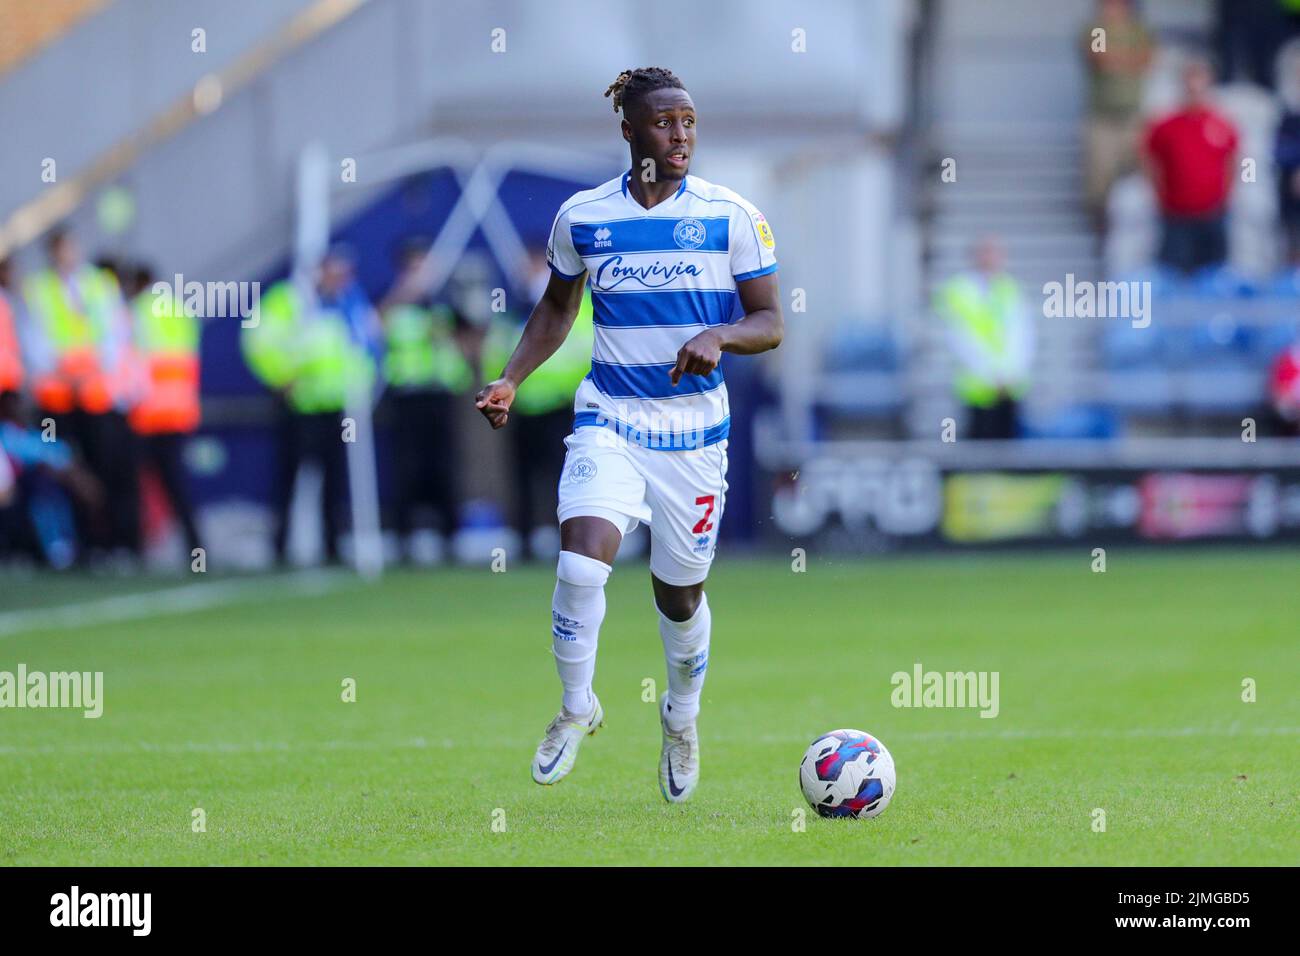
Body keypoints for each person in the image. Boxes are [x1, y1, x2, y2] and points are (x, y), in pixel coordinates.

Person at [475, 67, 783, 802]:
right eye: (664, 122)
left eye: (689, 122)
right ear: (629, 130)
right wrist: (513, 377)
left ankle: (680, 717)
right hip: (609, 417)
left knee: (678, 597)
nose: (680, 136)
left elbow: (770, 322)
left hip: (696, 435)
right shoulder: (582, 217)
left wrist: (721, 336)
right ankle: (577, 706)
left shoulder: (732, 215)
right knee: (581, 566)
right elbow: (556, 308)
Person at [243, 248, 379, 565]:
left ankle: (333, 547)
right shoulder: (287, 301)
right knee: (288, 478)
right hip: (298, 405)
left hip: (334, 406)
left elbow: (363, 348)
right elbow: (257, 342)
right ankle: (279, 548)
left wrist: (362, 388)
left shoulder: (347, 303)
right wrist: (280, 378)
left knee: (334, 481)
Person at [22, 228, 140, 561]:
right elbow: (34, 337)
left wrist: (90, 373)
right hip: (57, 398)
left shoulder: (99, 286)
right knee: (65, 470)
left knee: (102, 471)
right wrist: (61, 373)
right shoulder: (40, 289)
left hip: (95, 395)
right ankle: (75, 546)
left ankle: (110, 544)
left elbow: (113, 338)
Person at [482, 248, 594, 560]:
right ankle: (526, 541)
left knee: (569, 477)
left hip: (564, 405)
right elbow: (496, 351)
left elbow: (585, 352)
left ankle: (573, 543)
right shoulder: (514, 310)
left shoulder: (578, 305)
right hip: (524, 405)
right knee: (524, 475)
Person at [378, 242, 477, 560]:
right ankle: (404, 541)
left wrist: (449, 337)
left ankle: (450, 539)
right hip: (407, 395)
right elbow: (371, 328)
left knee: (444, 466)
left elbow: (473, 341)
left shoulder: (445, 303)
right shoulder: (393, 303)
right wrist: (402, 296)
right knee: (407, 468)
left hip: (441, 395)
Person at [126, 264, 204, 558]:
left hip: (146, 415)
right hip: (178, 412)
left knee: (135, 488)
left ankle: (136, 550)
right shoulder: (179, 312)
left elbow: (131, 366)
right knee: (179, 489)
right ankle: (195, 549)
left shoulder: (135, 314)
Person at [1142, 56, 1240, 274]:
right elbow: (1149, 161)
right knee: (1175, 275)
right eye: (1190, 85)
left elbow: (1234, 161)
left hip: (1212, 214)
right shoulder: (1165, 126)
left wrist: (1227, 196)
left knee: (1214, 276)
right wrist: (1158, 195)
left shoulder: (1222, 124)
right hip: (1176, 215)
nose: (1195, 91)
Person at [934, 236, 1034, 440]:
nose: (991, 258)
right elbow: (961, 340)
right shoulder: (959, 291)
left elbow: (1022, 336)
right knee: (980, 446)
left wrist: (1010, 373)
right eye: (986, 252)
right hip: (978, 386)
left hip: (1011, 385)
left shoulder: (1009, 288)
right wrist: (991, 374)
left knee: (1009, 445)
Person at [1080, 0, 1155, 224]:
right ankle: (1102, 227)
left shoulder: (1138, 30)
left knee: (1140, 174)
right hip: (1102, 117)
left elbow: (1147, 59)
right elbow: (1099, 58)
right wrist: (1126, 59)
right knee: (1099, 177)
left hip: (1133, 115)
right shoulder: (1097, 29)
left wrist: (1118, 58)